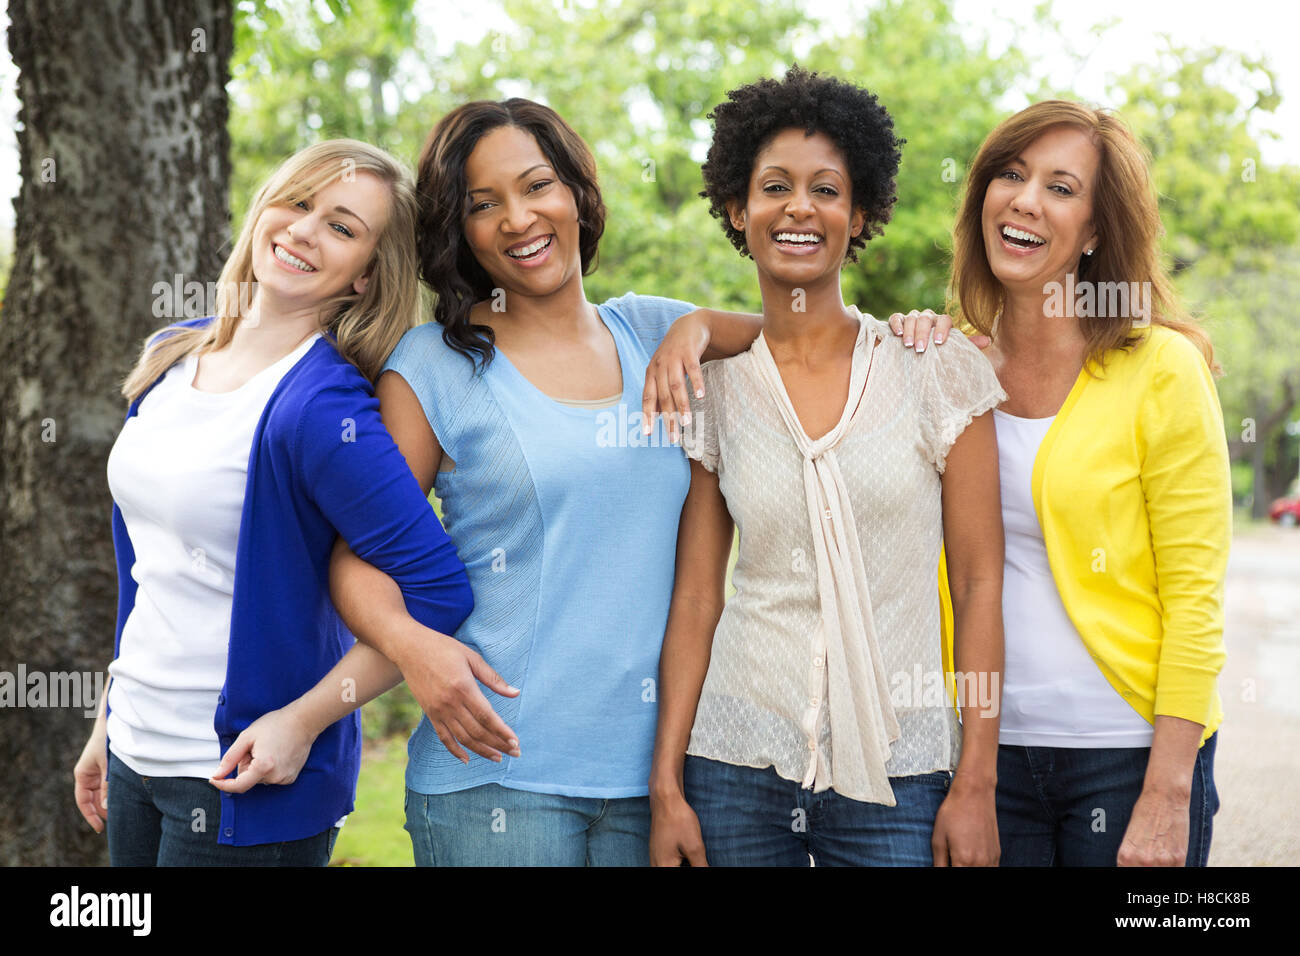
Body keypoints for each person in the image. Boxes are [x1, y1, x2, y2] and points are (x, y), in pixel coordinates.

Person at [71, 139, 475, 866]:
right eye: (298, 202)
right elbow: (149, 573)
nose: (304, 230)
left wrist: (303, 721)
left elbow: (437, 593)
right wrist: (106, 719)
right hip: (134, 750)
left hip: (243, 782)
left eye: (342, 227)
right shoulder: (172, 354)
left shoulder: (324, 411)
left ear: (363, 279)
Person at [649, 67, 1006, 867]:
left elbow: (978, 584)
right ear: (738, 211)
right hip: (736, 756)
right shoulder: (718, 393)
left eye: (826, 189)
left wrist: (975, 780)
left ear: (863, 211)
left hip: (901, 767)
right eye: (774, 186)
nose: (799, 207)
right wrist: (668, 785)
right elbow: (700, 595)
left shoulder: (936, 372)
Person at [898, 100, 1229, 866]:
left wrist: (1168, 790)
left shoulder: (1161, 369)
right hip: (982, 757)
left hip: (1126, 756)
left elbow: (1195, 598)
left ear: (1096, 230)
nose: (1025, 200)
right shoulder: (947, 368)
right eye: (1010, 175)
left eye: (1061, 187)